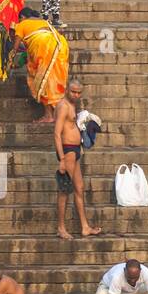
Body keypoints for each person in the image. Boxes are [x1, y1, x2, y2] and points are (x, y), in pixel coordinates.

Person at [53, 79, 100, 240]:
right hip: (67, 152)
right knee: (65, 190)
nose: (76, 95)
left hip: (75, 150)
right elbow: (57, 134)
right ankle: (61, 228)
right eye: (73, 91)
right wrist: (61, 159)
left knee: (79, 188)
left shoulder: (73, 105)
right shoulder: (63, 106)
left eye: (79, 92)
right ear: (67, 90)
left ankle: (85, 227)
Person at [12, 7, 69, 123]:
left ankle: (49, 116)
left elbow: (15, 47)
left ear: (22, 17)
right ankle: (60, 115)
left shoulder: (22, 24)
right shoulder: (44, 22)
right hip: (61, 45)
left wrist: (10, 59)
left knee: (42, 82)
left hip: (44, 45)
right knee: (54, 81)